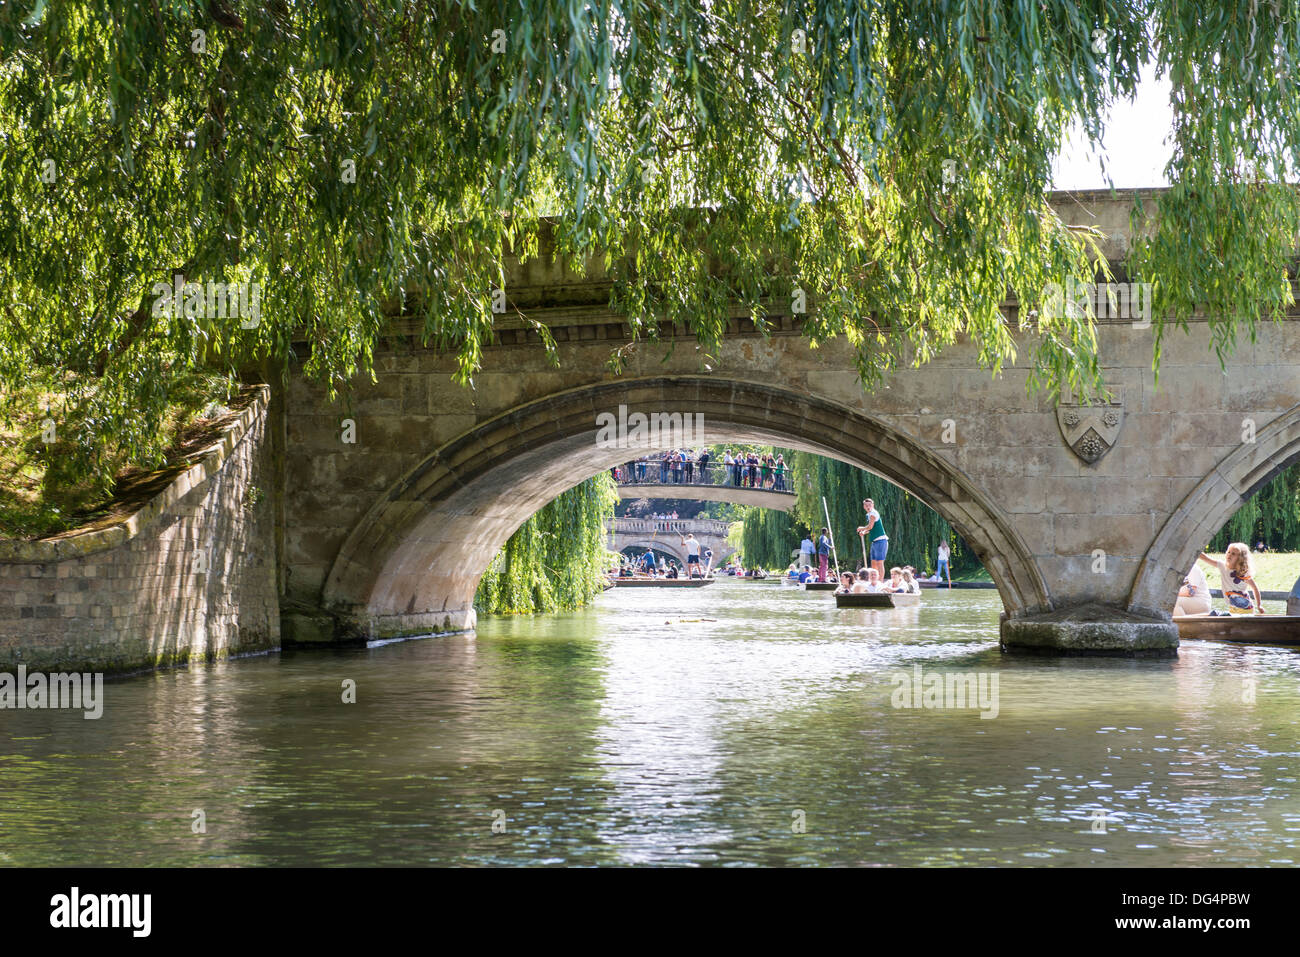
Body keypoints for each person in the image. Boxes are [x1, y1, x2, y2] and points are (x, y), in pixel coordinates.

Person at [1198, 544, 1265, 615]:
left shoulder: (1243, 573)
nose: (1229, 555)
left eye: (1233, 554)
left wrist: (1259, 605)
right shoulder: (1222, 566)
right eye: (1228, 552)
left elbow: (1255, 588)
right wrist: (1196, 551)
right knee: (1214, 614)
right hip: (1233, 608)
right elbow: (1206, 558)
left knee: (1218, 614)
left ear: (1240, 558)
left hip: (1246, 608)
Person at [857, 498, 889, 578]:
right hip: (875, 542)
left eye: (869, 505)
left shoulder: (873, 513)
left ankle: (880, 582)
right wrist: (864, 532)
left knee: (879, 562)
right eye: (866, 505)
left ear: (873, 505)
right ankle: (874, 581)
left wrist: (862, 528)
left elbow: (870, 526)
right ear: (864, 506)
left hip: (881, 541)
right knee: (873, 563)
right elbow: (871, 528)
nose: (868, 507)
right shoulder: (868, 515)